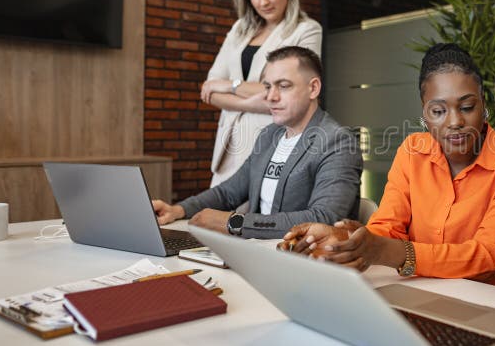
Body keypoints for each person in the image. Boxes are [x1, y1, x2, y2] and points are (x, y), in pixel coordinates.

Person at [281, 44, 495, 297]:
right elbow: (386, 228)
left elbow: (485, 256)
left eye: (467, 107)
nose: (455, 121)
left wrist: (391, 252)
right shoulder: (412, 151)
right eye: (438, 111)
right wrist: (341, 239)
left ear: (484, 106)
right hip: (432, 294)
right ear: (424, 115)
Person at [153, 46, 362, 239]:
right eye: (268, 86)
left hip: (300, 264)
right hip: (254, 253)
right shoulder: (270, 134)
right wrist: (177, 210)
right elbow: (228, 192)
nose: (271, 97)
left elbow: (323, 218)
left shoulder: (338, 142)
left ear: (313, 88)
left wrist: (234, 222)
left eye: (284, 86)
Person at [200, 0, 322, 187]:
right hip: (227, 150)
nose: (263, 2)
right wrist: (253, 100)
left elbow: (294, 94)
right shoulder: (240, 30)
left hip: (272, 143)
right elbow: (209, 88)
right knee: (213, 217)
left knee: (251, 221)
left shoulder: (306, 30)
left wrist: (230, 86)